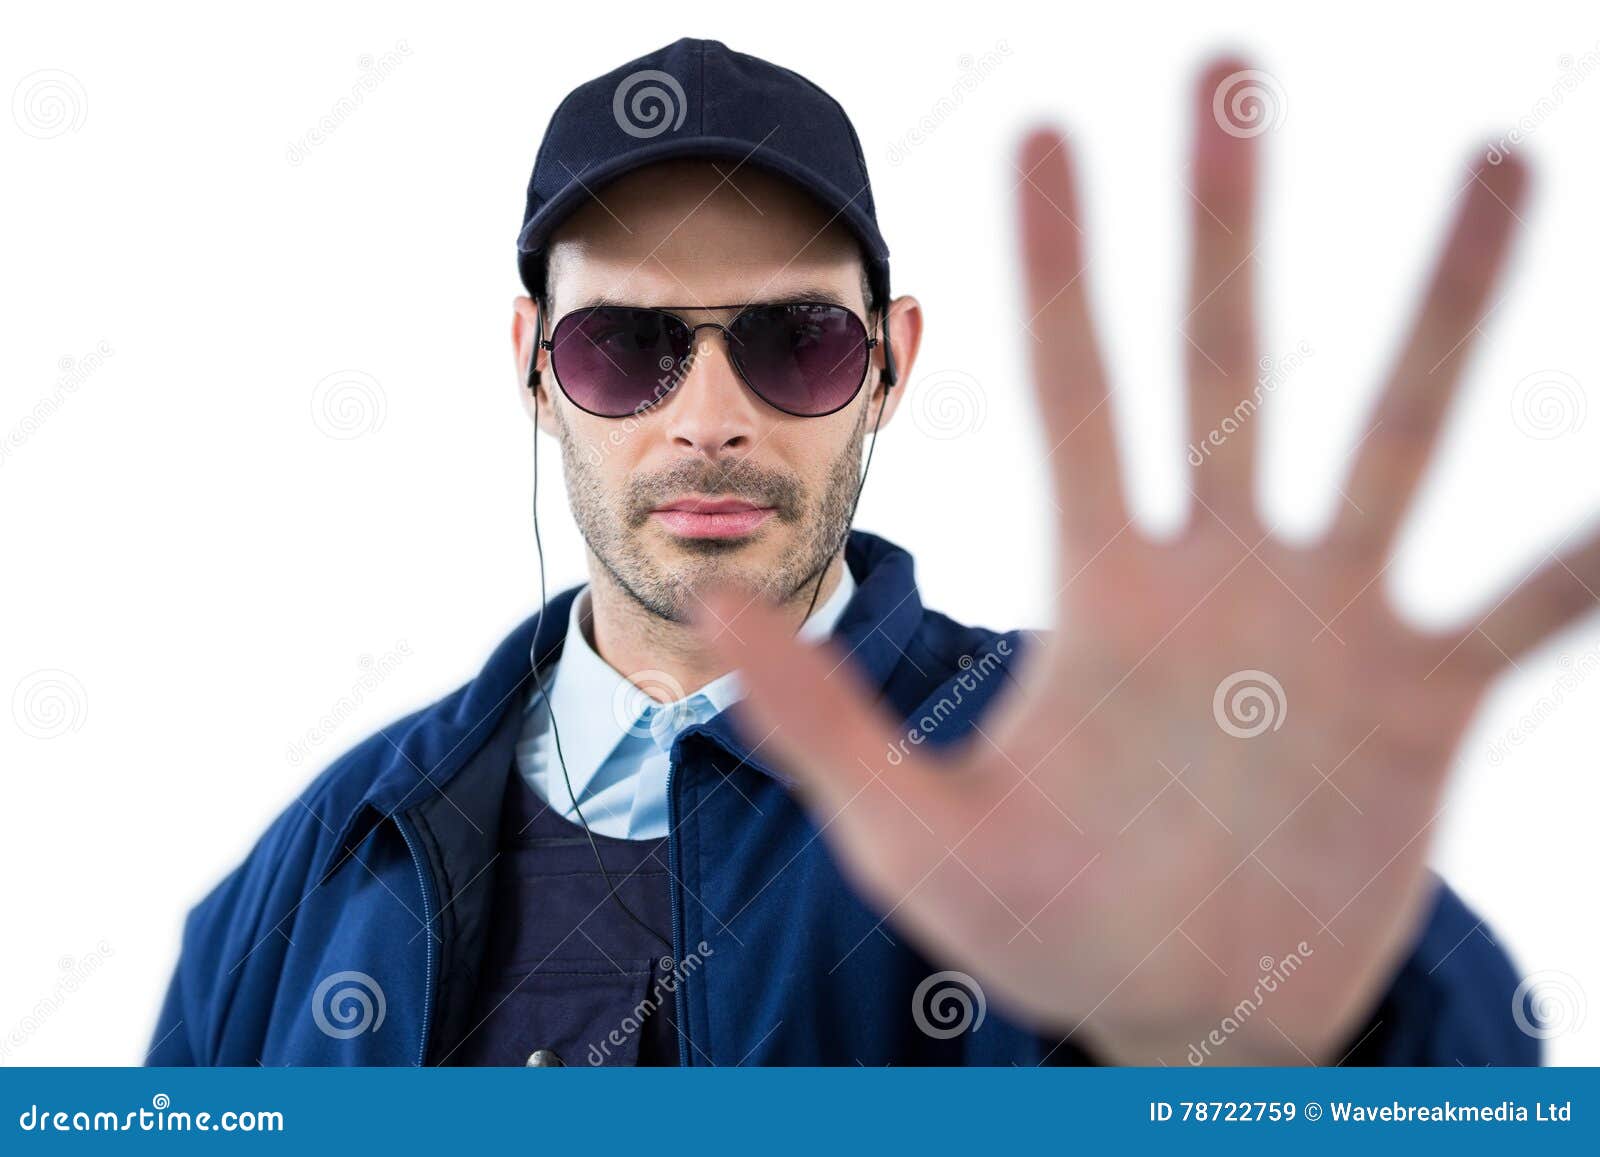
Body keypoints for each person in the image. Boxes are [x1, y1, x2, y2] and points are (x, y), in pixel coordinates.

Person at [150, 36, 1591, 1067]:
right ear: (532, 366)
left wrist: (1292, 1047)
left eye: (795, 340)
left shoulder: (1103, 767)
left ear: (890, 365)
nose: (708, 421)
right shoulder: (316, 876)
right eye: (622, 347)